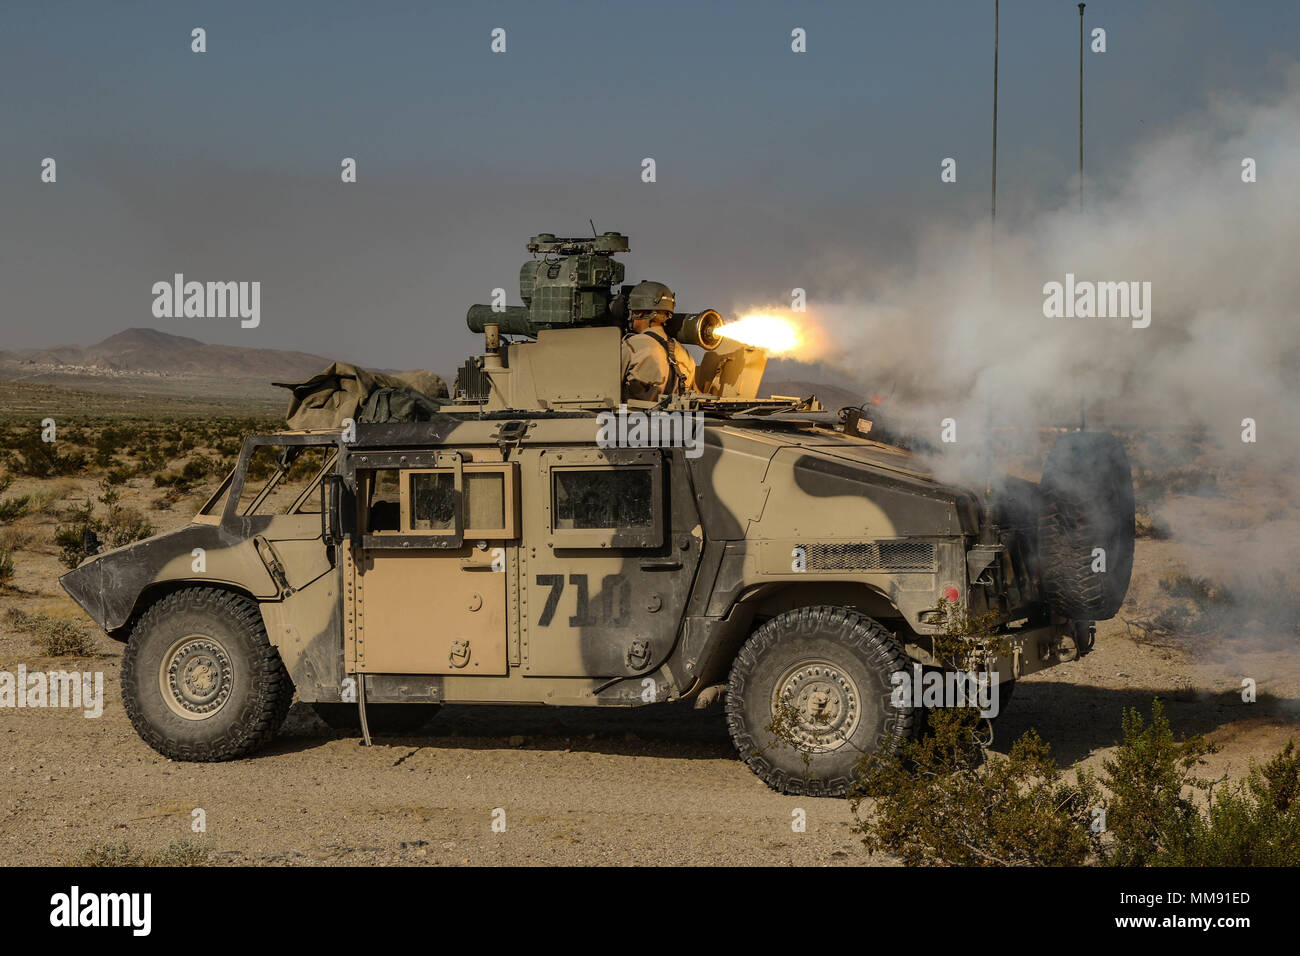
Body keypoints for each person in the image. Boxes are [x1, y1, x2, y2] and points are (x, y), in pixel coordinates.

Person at [620, 281, 697, 401]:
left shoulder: (631, 346)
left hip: (631, 418)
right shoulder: (686, 356)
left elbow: (605, 387)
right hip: (674, 419)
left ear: (637, 312)